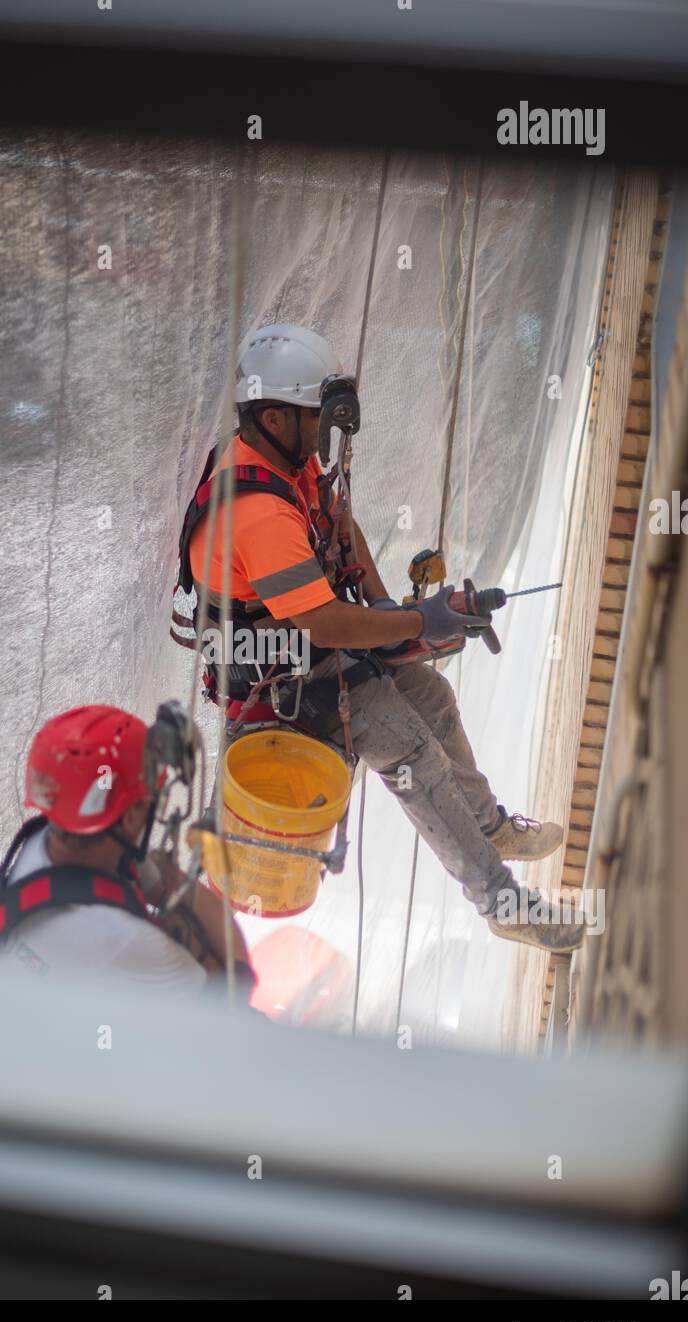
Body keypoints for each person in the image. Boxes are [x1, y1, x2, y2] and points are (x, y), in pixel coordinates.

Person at [174, 323, 585, 953]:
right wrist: (419, 623)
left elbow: (338, 520)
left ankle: (488, 825)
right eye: (318, 419)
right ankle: (500, 902)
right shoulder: (255, 513)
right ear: (277, 417)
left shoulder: (286, 459)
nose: (324, 437)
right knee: (413, 754)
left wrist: (384, 600)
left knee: (436, 701)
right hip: (279, 680)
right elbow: (326, 622)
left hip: (313, 645)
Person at [0, 704, 256, 995]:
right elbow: (228, 1005)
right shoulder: (120, 938)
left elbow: (167, 882)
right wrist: (232, 968)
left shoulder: (46, 840)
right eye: (152, 800)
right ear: (132, 815)